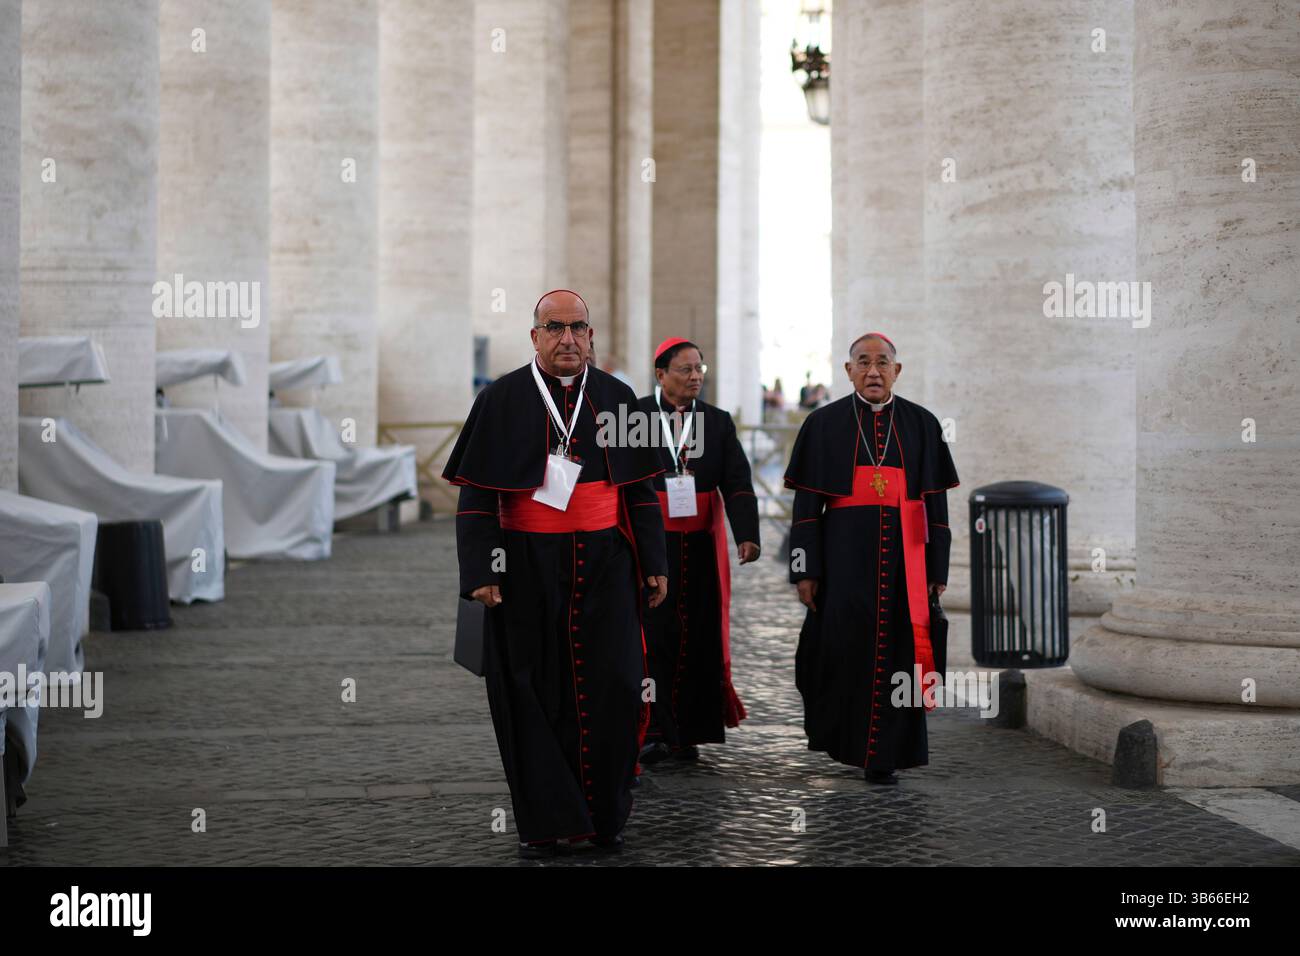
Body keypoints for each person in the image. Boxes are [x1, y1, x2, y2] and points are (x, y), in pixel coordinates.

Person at [442, 289, 668, 856]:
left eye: (577, 327)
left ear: (591, 336)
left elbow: (640, 492)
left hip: (606, 565)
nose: (567, 338)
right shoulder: (501, 399)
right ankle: (545, 822)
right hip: (524, 566)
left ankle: (603, 817)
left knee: (616, 685)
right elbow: (475, 497)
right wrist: (480, 571)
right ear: (535, 336)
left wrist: (654, 563)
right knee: (528, 689)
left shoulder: (619, 399)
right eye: (554, 327)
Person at [783, 332, 958, 785]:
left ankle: (887, 755)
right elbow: (806, 508)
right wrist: (806, 570)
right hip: (844, 565)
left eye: (883, 363)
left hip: (906, 563)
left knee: (900, 653)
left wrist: (937, 569)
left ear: (897, 371)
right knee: (841, 652)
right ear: (848, 370)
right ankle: (847, 742)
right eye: (863, 362)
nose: (873, 371)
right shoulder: (823, 425)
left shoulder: (922, 424)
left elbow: (935, 504)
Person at [636, 338, 761, 765]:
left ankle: (686, 731)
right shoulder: (633, 418)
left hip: (702, 548)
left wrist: (747, 533)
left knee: (697, 637)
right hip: (651, 546)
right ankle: (650, 729)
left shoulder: (717, 422)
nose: (694, 378)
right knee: (653, 637)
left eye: (699, 370)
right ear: (661, 375)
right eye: (685, 370)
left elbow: (738, 481)